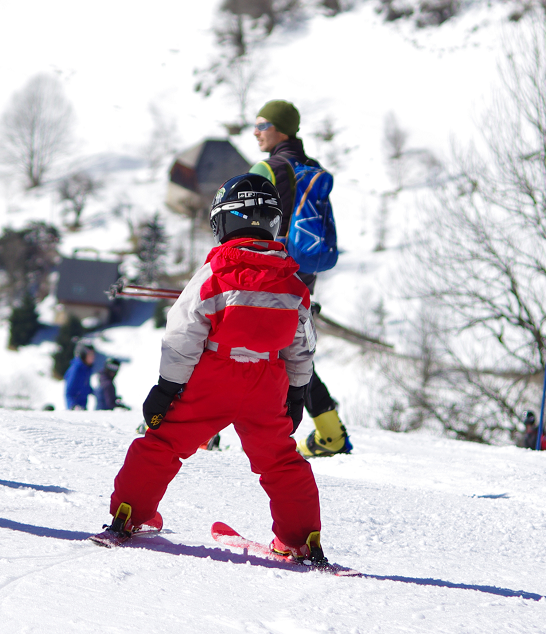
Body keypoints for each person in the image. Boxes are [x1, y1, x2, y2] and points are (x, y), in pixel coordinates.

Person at [98, 174, 327, 564]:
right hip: (267, 382)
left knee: (163, 443)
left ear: (225, 222)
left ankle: (128, 516)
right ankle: (302, 539)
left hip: (214, 375)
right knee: (281, 461)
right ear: (272, 223)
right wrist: (296, 391)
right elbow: (301, 346)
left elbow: (182, 333)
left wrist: (167, 388)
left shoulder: (216, 273)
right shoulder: (292, 285)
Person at [250, 99, 352, 458]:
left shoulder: (268, 168)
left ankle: (197, 431)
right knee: (293, 354)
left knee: (229, 347)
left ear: (282, 130)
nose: (256, 131)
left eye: (262, 124)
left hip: (265, 277)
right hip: (302, 280)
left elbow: (239, 226)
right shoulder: (313, 169)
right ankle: (330, 434)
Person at [64, 341, 95, 410]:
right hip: (76, 409)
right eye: (90, 355)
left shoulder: (86, 369)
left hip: (83, 407)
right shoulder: (76, 369)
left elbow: (86, 387)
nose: (93, 357)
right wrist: (73, 406)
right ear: (83, 355)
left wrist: (98, 392)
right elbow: (69, 392)